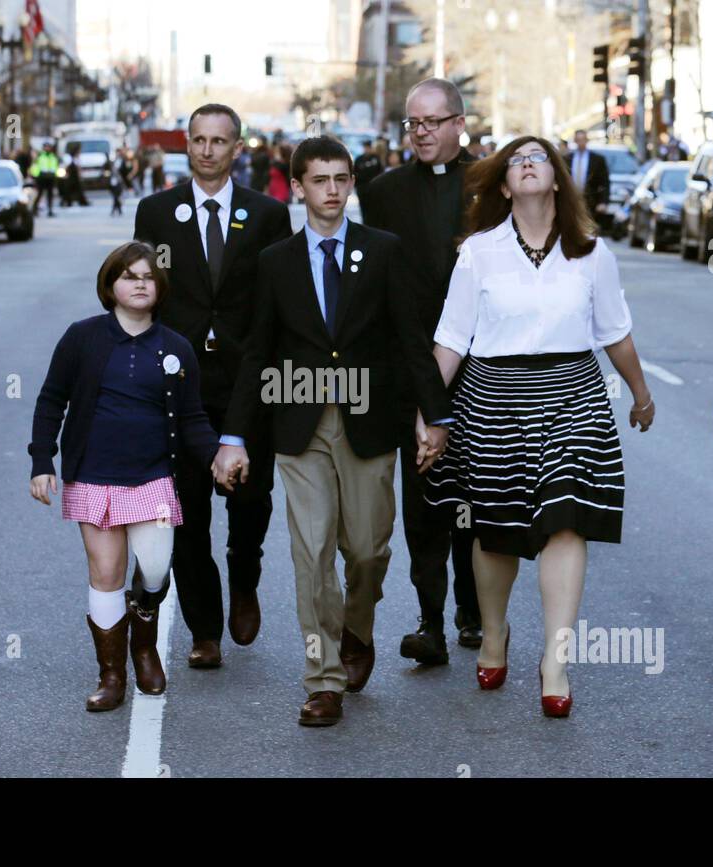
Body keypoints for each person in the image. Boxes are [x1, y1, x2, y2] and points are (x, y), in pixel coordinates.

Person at [214, 136, 450, 726]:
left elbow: (411, 339)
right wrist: (235, 437)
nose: (332, 191)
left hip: (371, 421)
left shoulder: (384, 251)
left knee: (367, 551)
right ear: (298, 188)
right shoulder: (276, 262)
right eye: (319, 180)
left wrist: (435, 413)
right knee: (311, 555)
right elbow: (256, 354)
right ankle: (322, 679)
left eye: (341, 179)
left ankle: (356, 631)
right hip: (299, 426)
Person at [424, 135, 654, 718]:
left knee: (566, 519)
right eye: (516, 161)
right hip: (493, 394)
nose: (528, 166)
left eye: (539, 159)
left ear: (557, 178)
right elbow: (451, 339)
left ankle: (556, 659)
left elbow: (615, 331)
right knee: (495, 528)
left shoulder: (591, 251)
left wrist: (640, 393)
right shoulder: (479, 251)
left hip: (572, 392)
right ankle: (495, 631)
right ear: (503, 185)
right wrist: (426, 413)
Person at [133, 103, 292, 668]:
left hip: (250, 385)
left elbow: (278, 303)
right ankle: (204, 628)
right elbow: (142, 292)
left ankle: (244, 577)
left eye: (218, 141)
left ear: (237, 148)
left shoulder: (269, 214)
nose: (206, 150)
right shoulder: (156, 212)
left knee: (251, 500)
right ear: (187, 146)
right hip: (180, 387)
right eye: (197, 140)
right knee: (186, 513)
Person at [29, 242, 218, 711]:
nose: (139, 283)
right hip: (93, 474)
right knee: (106, 573)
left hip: (154, 476)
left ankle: (144, 644)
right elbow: (51, 400)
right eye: (129, 275)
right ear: (110, 285)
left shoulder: (175, 348)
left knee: (154, 570)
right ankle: (112, 674)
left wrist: (217, 456)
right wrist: (40, 461)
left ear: (160, 288)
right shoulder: (82, 338)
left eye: (148, 277)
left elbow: (192, 416)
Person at [358, 76, 482, 664]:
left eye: (433, 121)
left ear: (460, 123)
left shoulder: (491, 184)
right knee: (426, 495)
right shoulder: (381, 191)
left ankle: (475, 610)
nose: (422, 133)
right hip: (411, 360)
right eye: (413, 123)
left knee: (479, 495)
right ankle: (430, 619)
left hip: (483, 362)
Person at [567, 129, 610, 221]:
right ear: (575, 141)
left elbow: (605, 182)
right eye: (578, 140)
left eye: (583, 139)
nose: (580, 142)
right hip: (571, 201)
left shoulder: (597, 159)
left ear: (587, 140)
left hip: (591, 202)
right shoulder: (567, 159)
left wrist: (603, 202)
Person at [30, 141, 60, 217]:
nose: (47, 148)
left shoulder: (53, 156)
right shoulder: (40, 156)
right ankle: (34, 209)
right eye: (46, 147)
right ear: (43, 148)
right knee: (39, 194)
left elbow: (56, 167)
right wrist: (35, 176)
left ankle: (50, 210)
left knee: (50, 195)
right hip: (41, 178)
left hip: (51, 178)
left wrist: (56, 175)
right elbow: (35, 166)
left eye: (49, 147)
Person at [110, 149, 127, 215]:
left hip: (120, 181)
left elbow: (124, 172)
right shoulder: (113, 161)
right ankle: (118, 210)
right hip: (113, 181)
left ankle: (114, 210)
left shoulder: (123, 161)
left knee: (116, 196)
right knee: (115, 196)